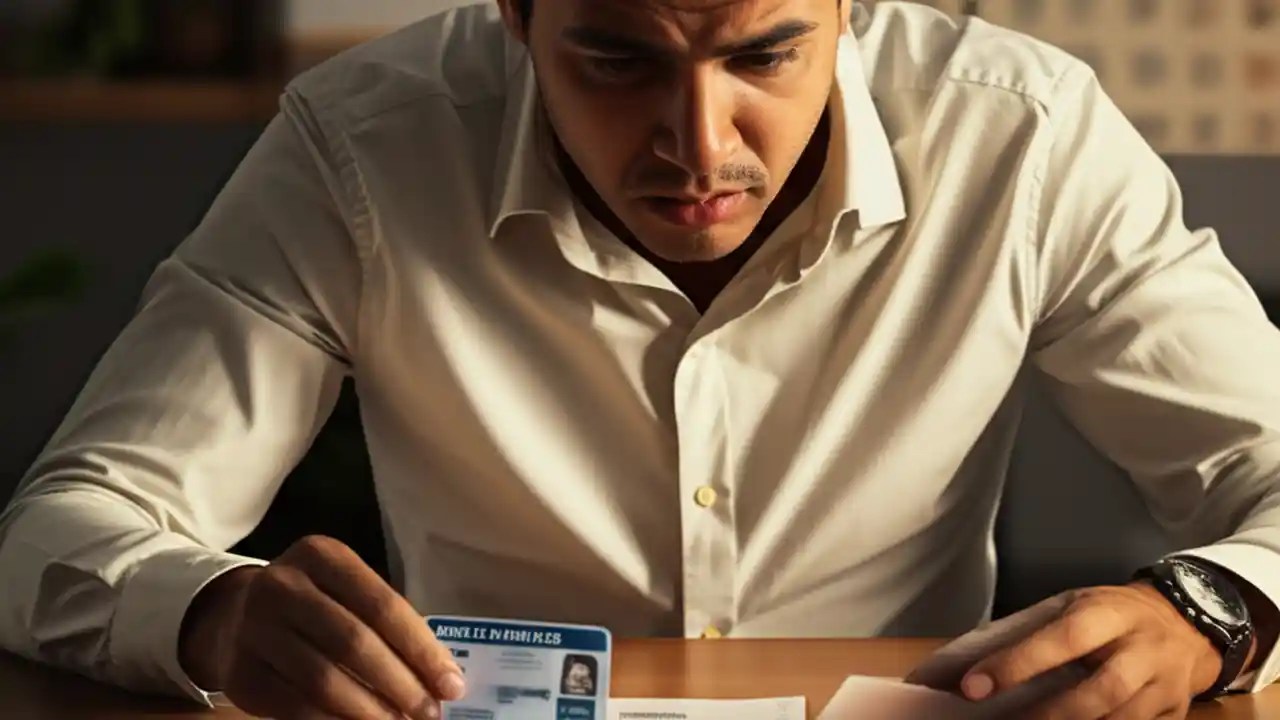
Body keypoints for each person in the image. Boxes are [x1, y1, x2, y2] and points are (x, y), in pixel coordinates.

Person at [1, 0, 1278, 718]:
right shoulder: (359, 152)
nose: (696, 143)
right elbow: (66, 527)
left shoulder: (1025, 138)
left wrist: (1205, 613)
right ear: (514, 12)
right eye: (616, 60)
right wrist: (212, 615)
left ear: (848, 8)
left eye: (766, 54)